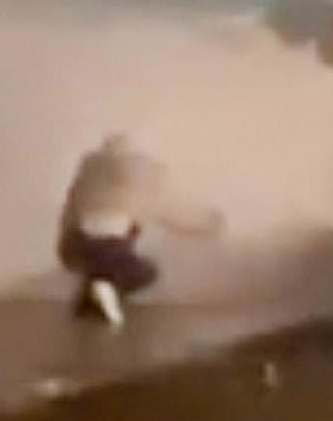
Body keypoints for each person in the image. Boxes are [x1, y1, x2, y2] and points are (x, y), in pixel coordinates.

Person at [57, 133, 225, 326]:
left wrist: (65, 250)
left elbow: (68, 213)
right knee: (146, 273)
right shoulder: (135, 184)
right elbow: (171, 212)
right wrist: (206, 225)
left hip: (80, 246)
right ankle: (101, 294)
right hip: (110, 249)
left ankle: (94, 296)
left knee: (105, 269)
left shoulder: (87, 180)